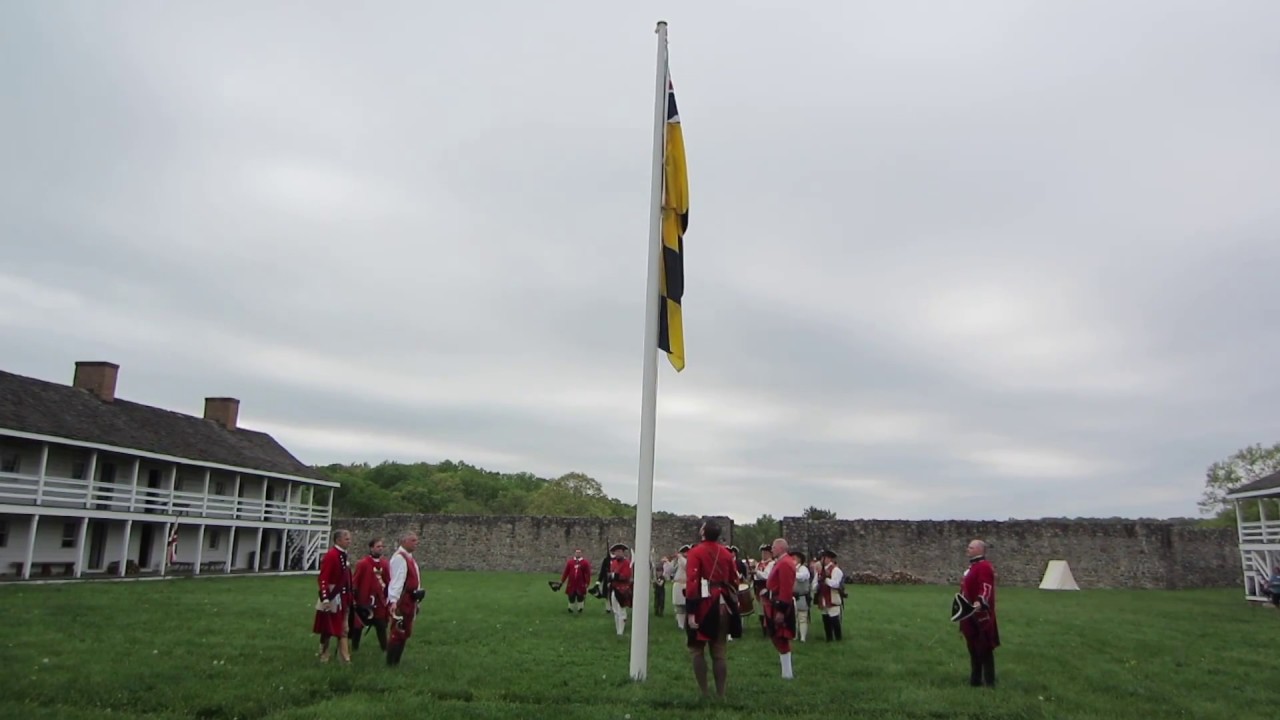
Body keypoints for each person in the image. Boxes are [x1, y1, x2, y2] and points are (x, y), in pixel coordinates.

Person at [683, 519, 740, 699]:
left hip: (703, 605)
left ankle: (705, 692)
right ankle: (721, 693)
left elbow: (692, 582)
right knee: (719, 651)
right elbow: (734, 581)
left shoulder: (696, 552)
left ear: (703, 533)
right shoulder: (726, 554)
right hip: (723, 603)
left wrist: (691, 611)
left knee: (697, 649)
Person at [958, 538, 1000, 687]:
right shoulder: (973, 567)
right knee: (972, 647)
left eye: (970, 547)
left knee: (984, 647)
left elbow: (986, 587)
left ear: (979, 550)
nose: (967, 550)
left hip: (981, 614)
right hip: (969, 613)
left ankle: (989, 681)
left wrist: (980, 601)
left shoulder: (984, 567)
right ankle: (975, 679)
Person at [312, 529, 354, 663]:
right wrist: (325, 597)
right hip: (332, 594)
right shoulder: (331, 555)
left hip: (342, 595)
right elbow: (323, 578)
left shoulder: (342, 555)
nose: (349, 541)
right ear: (338, 540)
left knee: (342, 626)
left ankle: (344, 657)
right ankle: (325, 654)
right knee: (328, 628)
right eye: (347, 539)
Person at [386, 532, 425, 666]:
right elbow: (397, 581)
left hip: (411, 599)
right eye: (413, 540)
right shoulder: (399, 558)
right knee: (398, 630)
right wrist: (394, 601)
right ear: (404, 541)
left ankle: (396, 661)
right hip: (403, 599)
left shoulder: (410, 558)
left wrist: (417, 601)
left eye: (416, 540)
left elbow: (415, 579)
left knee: (406, 630)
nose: (416, 543)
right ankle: (391, 662)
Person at [349, 537, 392, 652]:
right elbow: (355, 582)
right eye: (378, 547)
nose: (380, 549)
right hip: (365, 602)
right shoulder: (363, 564)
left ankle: (385, 649)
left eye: (382, 547)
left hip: (380, 602)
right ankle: (354, 648)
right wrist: (354, 599)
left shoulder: (385, 564)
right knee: (358, 627)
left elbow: (388, 581)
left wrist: (388, 597)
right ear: (371, 548)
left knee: (381, 626)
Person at [765, 538, 798, 679]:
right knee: (777, 637)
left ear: (780, 548)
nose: (771, 549)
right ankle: (786, 672)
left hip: (779, 603)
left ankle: (787, 673)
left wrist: (781, 610)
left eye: (773, 547)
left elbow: (785, 589)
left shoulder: (785, 563)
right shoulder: (782, 562)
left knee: (781, 637)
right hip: (774, 600)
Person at [815, 549, 844, 641]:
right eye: (822, 558)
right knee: (825, 618)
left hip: (833, 596)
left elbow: (836, 584)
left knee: (834, 619)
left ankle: (838, 638)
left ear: (829, 559)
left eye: (825, 557)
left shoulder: (836, 570)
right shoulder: (820, 571)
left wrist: (826, 580)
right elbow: (814, 584)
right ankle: (829, 638)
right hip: (823, 596)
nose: (823, 560)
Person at [606, 543, 634, 636]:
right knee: (615, 610)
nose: (617, 554)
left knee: (621, 610)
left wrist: (614, 575)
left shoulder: (626, 563)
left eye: (619, 552)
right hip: (614, 588)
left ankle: (620, 631)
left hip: (622, 589)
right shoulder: (613, 563)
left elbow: (626, 576)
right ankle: (618, 629)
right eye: (616, 552)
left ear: (622, 552)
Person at [557, 548, 592, 614]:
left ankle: (580, 608)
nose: (578, 554)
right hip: (571, 583)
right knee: (571, 596)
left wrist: (587, 583)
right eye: (576, 552)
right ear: (575, 553)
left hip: (581, 583)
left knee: (580, 596)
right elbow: (566, 572)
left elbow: (588, 573)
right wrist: (562, 581)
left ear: (581, 553)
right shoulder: (570, 562)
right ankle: (570, 608)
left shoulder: (585, 563)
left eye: (579, 552)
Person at [790, 550, 811, 643]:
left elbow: (803, 577)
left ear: (799, 559)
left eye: (794, 557)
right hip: (792, 596)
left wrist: (792, 573)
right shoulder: (791, 568)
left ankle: (802, 637)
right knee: (793, 617)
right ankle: (794, 635)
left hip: (801, 596)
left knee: (802, 617)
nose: (792, 559)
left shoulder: (803, 569)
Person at [672, 545, 690, 629]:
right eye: (684, 552)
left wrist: (680, 557)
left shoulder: (688, 561)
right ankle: (680, 624)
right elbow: (670, 570)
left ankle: (686, 623)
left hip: (685, 584)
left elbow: (686, 566)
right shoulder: (679, 561)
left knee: (686, 605)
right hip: (678, 584)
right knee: (679, 605)